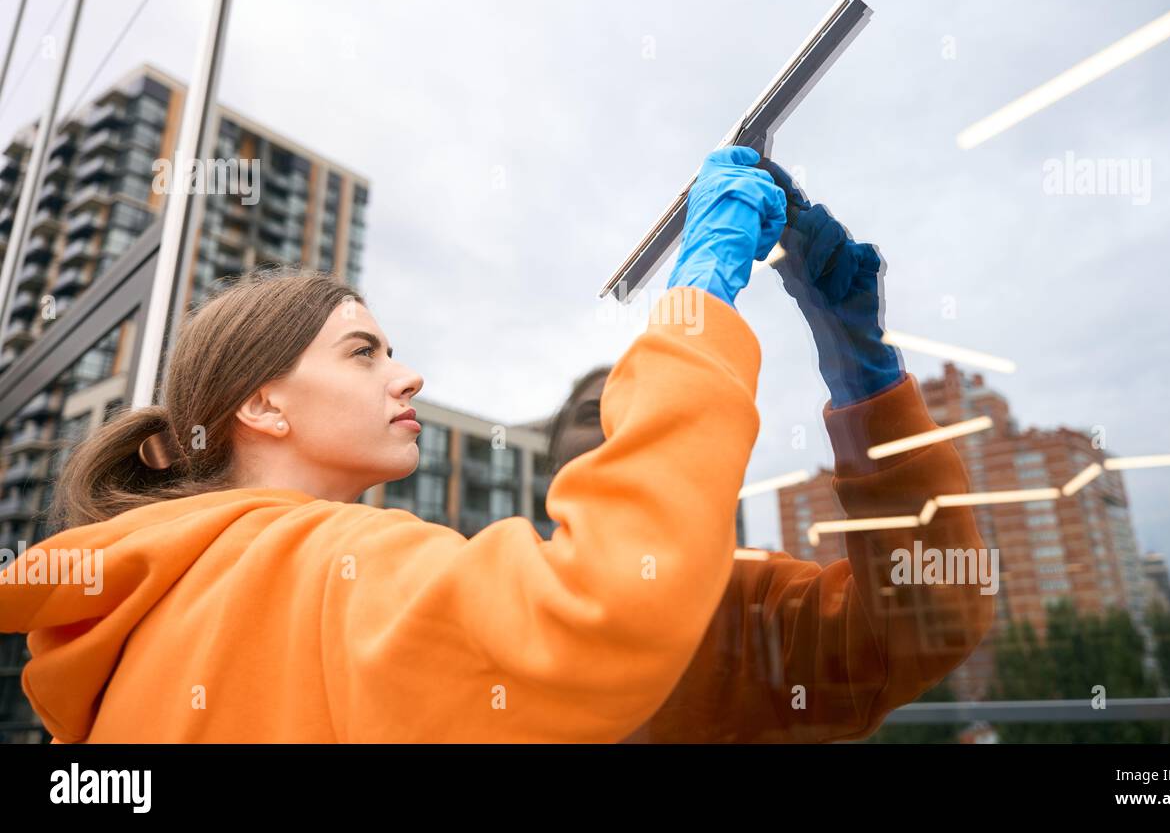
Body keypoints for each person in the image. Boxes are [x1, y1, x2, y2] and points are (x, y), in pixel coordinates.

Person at [0, 145, 805, 743]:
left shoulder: (153, 603)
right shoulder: (322, 564)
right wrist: (698, 313)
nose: (409, 377)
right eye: (364, 352)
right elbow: (604, 611)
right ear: (264, 406)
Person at [545, 158, 996, 742]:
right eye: (593, 413)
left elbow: (925, 621)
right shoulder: (485, 586)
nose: (621, 419)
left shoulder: (746, 608)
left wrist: (869, 384)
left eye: (632, 403)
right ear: (550, 455)